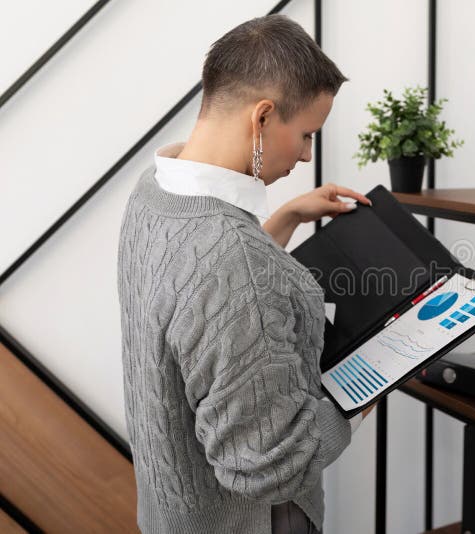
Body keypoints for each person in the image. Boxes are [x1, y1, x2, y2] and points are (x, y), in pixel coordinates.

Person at [117, 14, 374, 534]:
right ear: (261, 118)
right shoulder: (235, 261)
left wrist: (283, 219)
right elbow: (270, 470)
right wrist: (364, 393)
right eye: (305, 134)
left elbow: (203, 303)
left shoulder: (153, 191)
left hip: (171, 513)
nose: (306, 155)